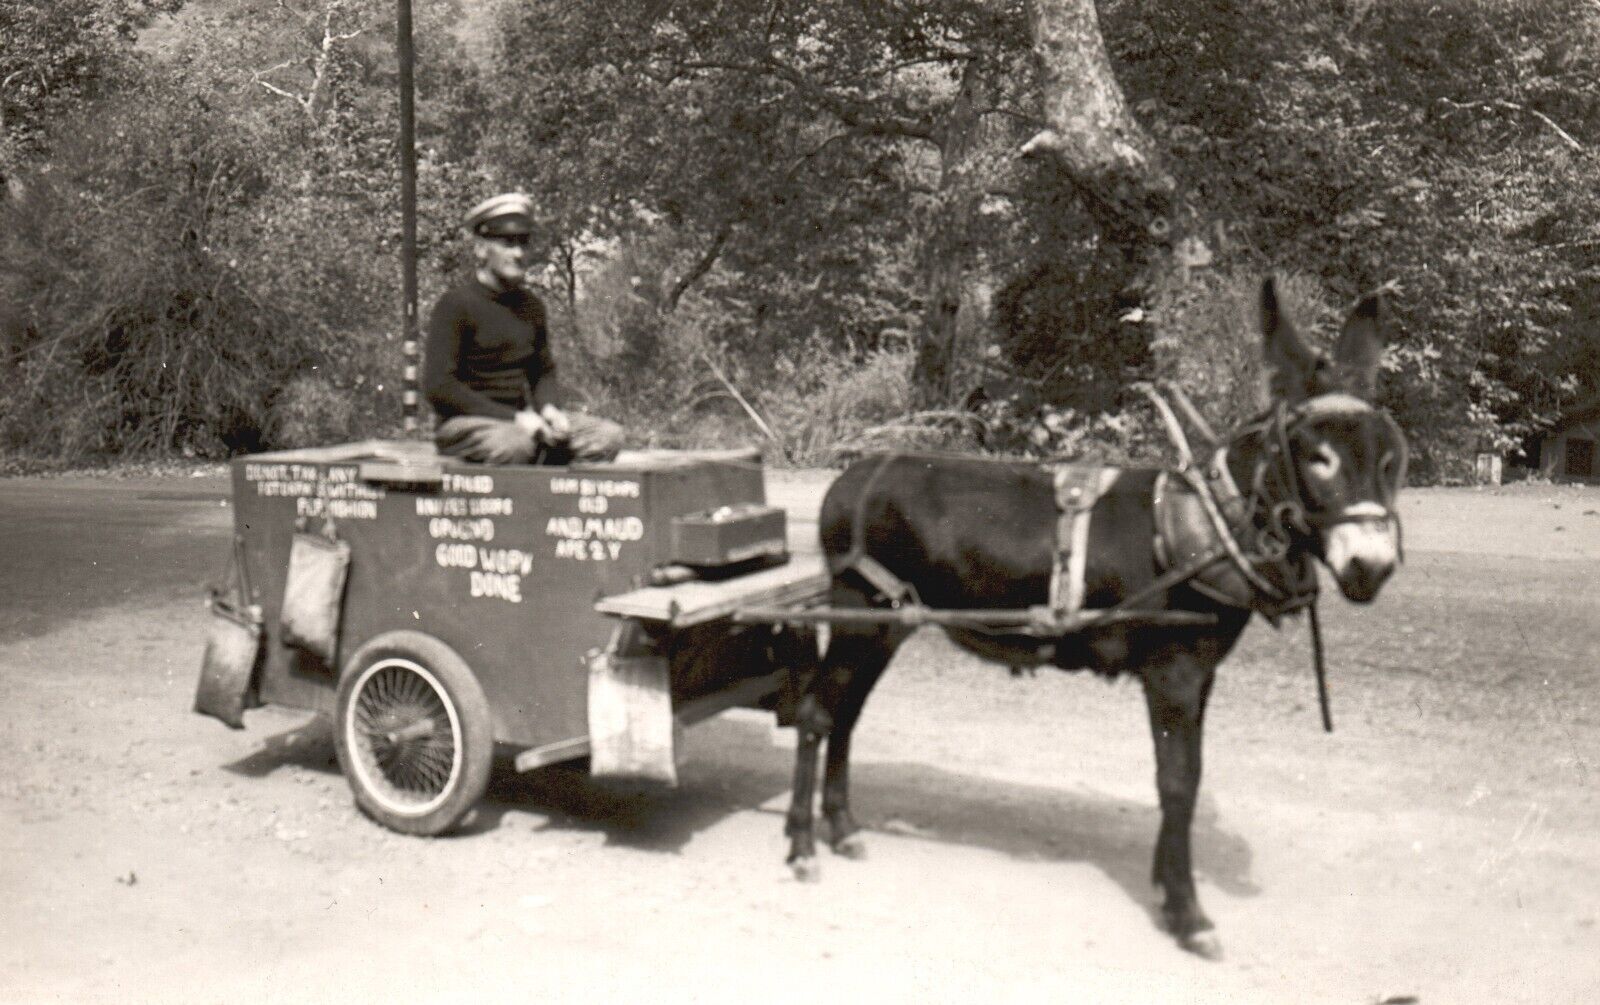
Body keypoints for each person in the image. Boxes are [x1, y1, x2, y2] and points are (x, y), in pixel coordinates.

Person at [424, 193, 624, 465]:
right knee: (516, 445)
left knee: (606, 436)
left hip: (523, 425)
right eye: (507, 244)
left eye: (523, 243)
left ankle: (555, 503)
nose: (518, 254)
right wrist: (514, 419)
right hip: (465, 424)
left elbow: (542, 371)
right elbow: (440, 388)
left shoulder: (531, 308)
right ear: (481, 249)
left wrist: (550, 410)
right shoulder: (456, 305)